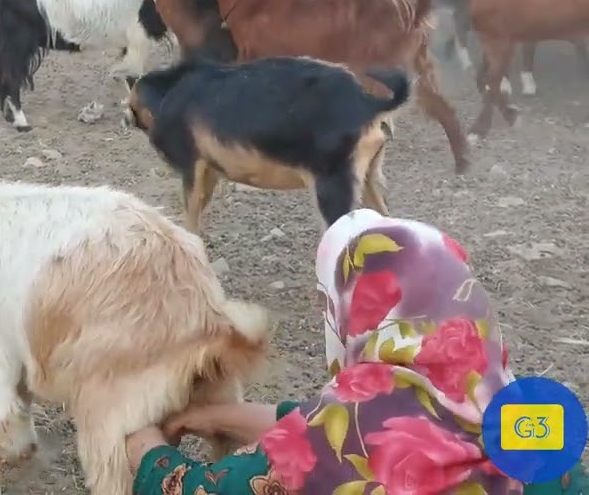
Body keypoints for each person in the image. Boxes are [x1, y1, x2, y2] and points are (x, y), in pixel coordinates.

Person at [126, 208, 589, 494]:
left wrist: (143, 442)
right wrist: (216, 416)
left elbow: (190, 489)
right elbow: (334, 418)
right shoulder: (528, 421)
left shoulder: (341, 445)